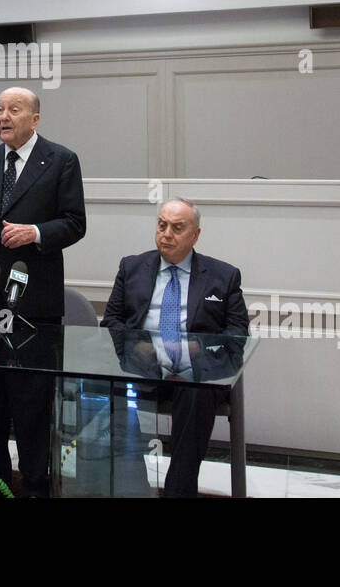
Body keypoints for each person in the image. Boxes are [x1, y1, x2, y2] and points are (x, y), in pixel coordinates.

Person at [0, 86, 86, 496]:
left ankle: (36, 486)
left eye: (14, 109)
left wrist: (36, 232)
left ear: (35, 118)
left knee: (30, 411)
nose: (3, 116)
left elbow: (75, 223)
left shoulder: (61, 160)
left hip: (34, 306)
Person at [101, 199, 248, 497]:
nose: (166, 234)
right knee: (109, 390)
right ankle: (133, 488)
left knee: (196, 391)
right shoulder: (131, 267)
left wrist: (196, 349)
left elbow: (237, 333)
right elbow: (111, 323)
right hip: (142, 368)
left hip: (196, 373)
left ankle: (178, 491)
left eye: (177, 228)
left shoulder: (224, 276)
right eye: (161, 225)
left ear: (195, 235)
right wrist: (139, 347)